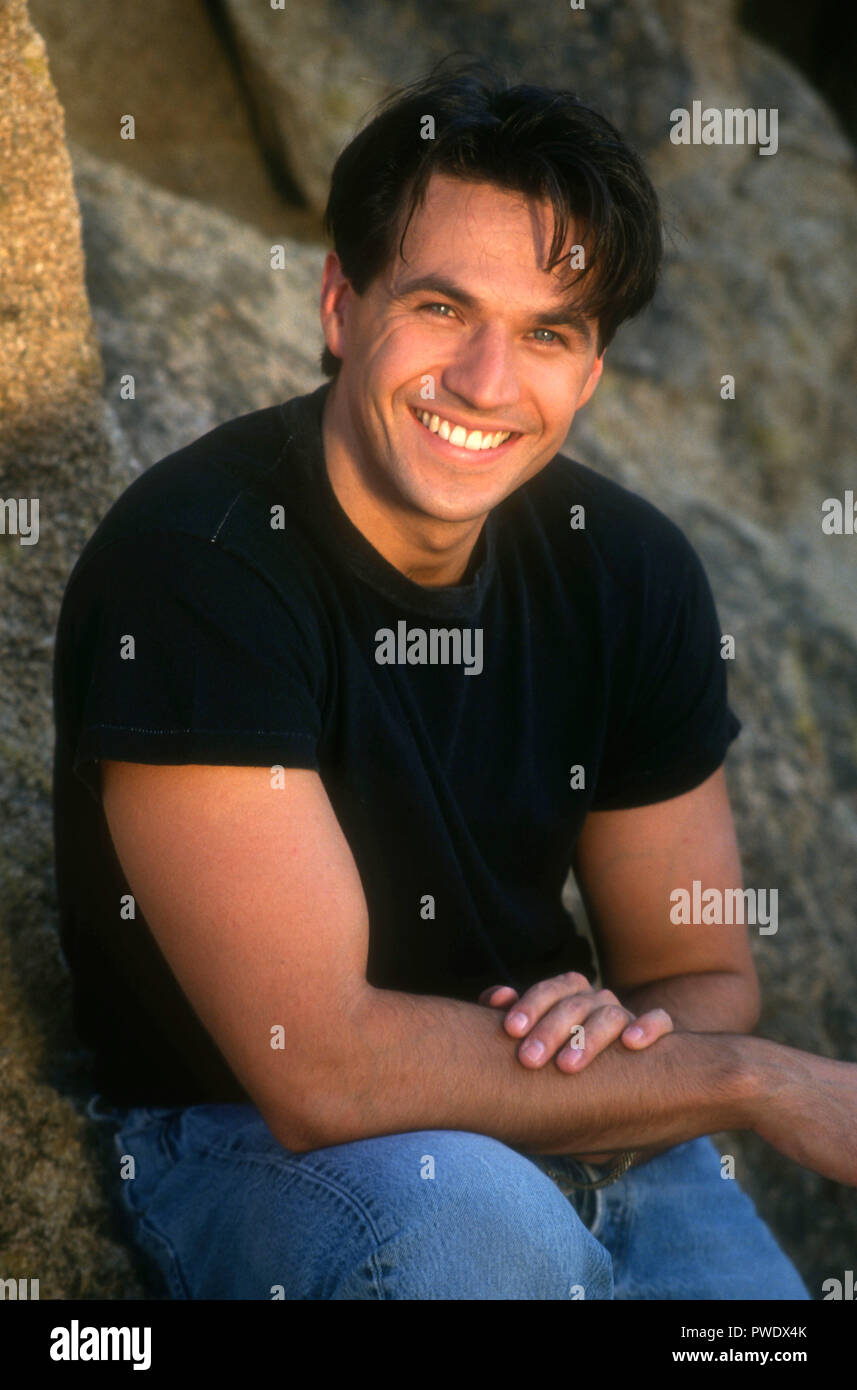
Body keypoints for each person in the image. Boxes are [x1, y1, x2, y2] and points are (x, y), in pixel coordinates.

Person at [52, 60, 852, 1302]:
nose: (487, 381)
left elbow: (697, 969)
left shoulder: (627, 569)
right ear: (339, 304)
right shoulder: (195, 567)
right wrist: (752, 1077)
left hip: (597, 1132)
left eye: (547, 332)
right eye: (439, 307)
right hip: (255, 1140)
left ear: (588, 373)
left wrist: (616, 1043)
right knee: (474, 1229)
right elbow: (318, 1070)